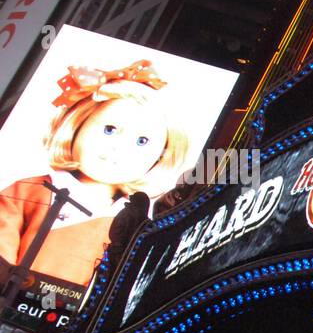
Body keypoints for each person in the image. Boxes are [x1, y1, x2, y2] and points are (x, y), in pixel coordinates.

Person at [0, 60, 188, 287]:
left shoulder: (135, 219)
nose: (119, 147)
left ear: (161, 156)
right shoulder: (33, 189)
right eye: (109, 129)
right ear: (77, 125)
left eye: (142, 141)